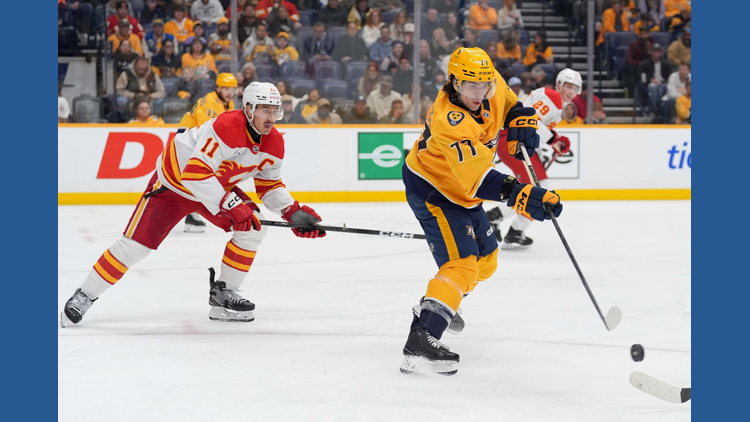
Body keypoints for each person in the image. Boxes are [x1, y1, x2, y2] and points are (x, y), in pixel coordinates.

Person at [60, 82, 326, 328]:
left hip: (214, 189)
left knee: (254, 228)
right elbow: (195, 174)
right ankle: (84, 295)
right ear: (248, 109)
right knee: (134, 247)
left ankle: (223, 295)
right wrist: (231, 205)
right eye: (265, 110)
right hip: (173, 187)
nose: (271, 117)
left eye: (275, 111)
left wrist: (292, 211)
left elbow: (269, 186)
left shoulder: (275, 142)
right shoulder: (226, 126)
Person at [400, 47, 560, 375]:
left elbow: (509, 101)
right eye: (471, 86)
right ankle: (421, 337)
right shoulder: (449, 120)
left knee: (486, 261)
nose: (480, 93)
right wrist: (521, 194)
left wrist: (520, 117)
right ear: (454, 82)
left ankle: (438, 304)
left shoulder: (489, 83)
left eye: (484, 85)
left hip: (463, 191)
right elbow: (480, 179)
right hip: (435, 191)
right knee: (462, 264)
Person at [489, 68, 579, 250]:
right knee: (541, 190)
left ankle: (505, 224)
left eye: (575, 88)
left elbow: (534, 126)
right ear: (559, 85)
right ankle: (503, 223)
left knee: (537, 190)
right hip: (512, 139)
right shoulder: (553, 96)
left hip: (515, 140)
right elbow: (531, 120)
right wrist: (554, 140)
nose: (571, 92)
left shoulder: (556, 104)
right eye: (568, 86)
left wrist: (555, 140)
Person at [638, 43, 672, 116]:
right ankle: (655, 109)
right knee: (652, 87)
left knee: (666, 87)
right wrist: (651, 80)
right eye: (654, 51)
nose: (657, 52)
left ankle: (664, 109)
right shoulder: (644, 64)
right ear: (651, 52)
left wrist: (661, 81)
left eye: (658, 51)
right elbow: (642, 77)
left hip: (663, 83)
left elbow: (671, 77)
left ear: (661, 52)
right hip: (650, 83)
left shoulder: (667, 64)